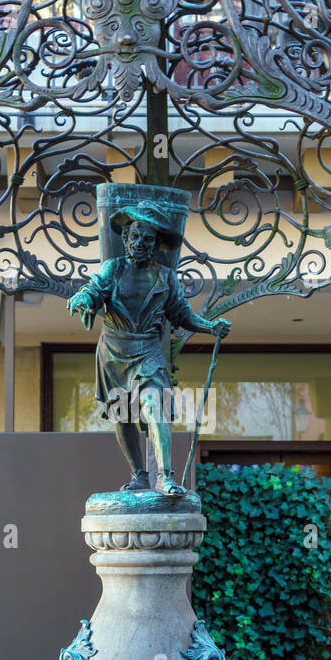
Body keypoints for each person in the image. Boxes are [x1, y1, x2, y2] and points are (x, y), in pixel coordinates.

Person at [67, 204, 230, 496]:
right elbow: (94, 290)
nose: (141, 243)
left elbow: (181, 314)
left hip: (149, 349)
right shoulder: (112, 268)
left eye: (148, 239)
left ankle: (165, 476)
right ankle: (139, 475)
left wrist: (209, 327)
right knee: (123, 414)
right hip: (115, 350)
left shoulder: (166, 277)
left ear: (155, 244)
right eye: (136, 237)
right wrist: (83, 297)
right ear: (127, 237)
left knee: (156, 406)